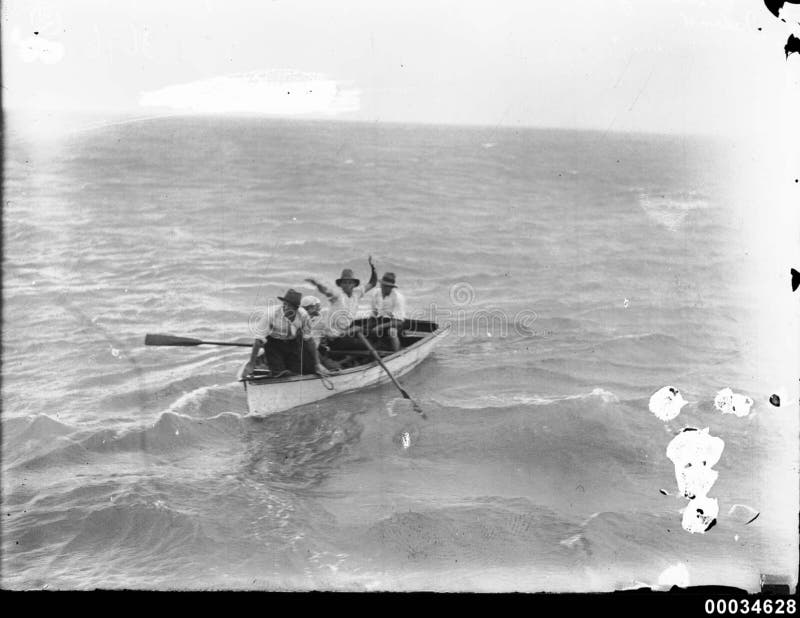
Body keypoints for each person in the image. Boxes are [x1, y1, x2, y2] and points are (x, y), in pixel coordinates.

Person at [243, 288, 329, 378]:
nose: (286, 308)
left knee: (302, 370)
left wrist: (317, 363)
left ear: (296, 308)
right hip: (273, 344)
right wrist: (252, 363)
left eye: (290, 306)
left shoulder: (303, 316)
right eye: (285, 305)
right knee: (279, 373)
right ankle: (278, 371)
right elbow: (258, 340)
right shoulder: (271, 314)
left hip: (293, 344)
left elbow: (309, 340)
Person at [305, 256, 377, 350]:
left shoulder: (357, 293)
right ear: (341, 285)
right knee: (363, 346)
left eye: (349, 282)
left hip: (345, 331)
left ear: (354, 284)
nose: (347, 285)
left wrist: (372, 267)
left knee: (367, 332)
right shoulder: (338, 295)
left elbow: (372, 283)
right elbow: (326, 290)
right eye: (344, 283)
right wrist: (316, 283)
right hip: (335, 337)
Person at [369, 272, 406, 352]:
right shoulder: (375, 293)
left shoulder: (398, 298)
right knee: (365, 330)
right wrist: (370, 326)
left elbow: (399, 321)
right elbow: (374, 313)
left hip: (394, 323)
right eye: (384, 285)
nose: (385, 288)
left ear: (392, 287)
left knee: (392, 332)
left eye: (388, 286)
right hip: (379, 320)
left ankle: (397, 353)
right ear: (381, 284)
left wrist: (380, 327)